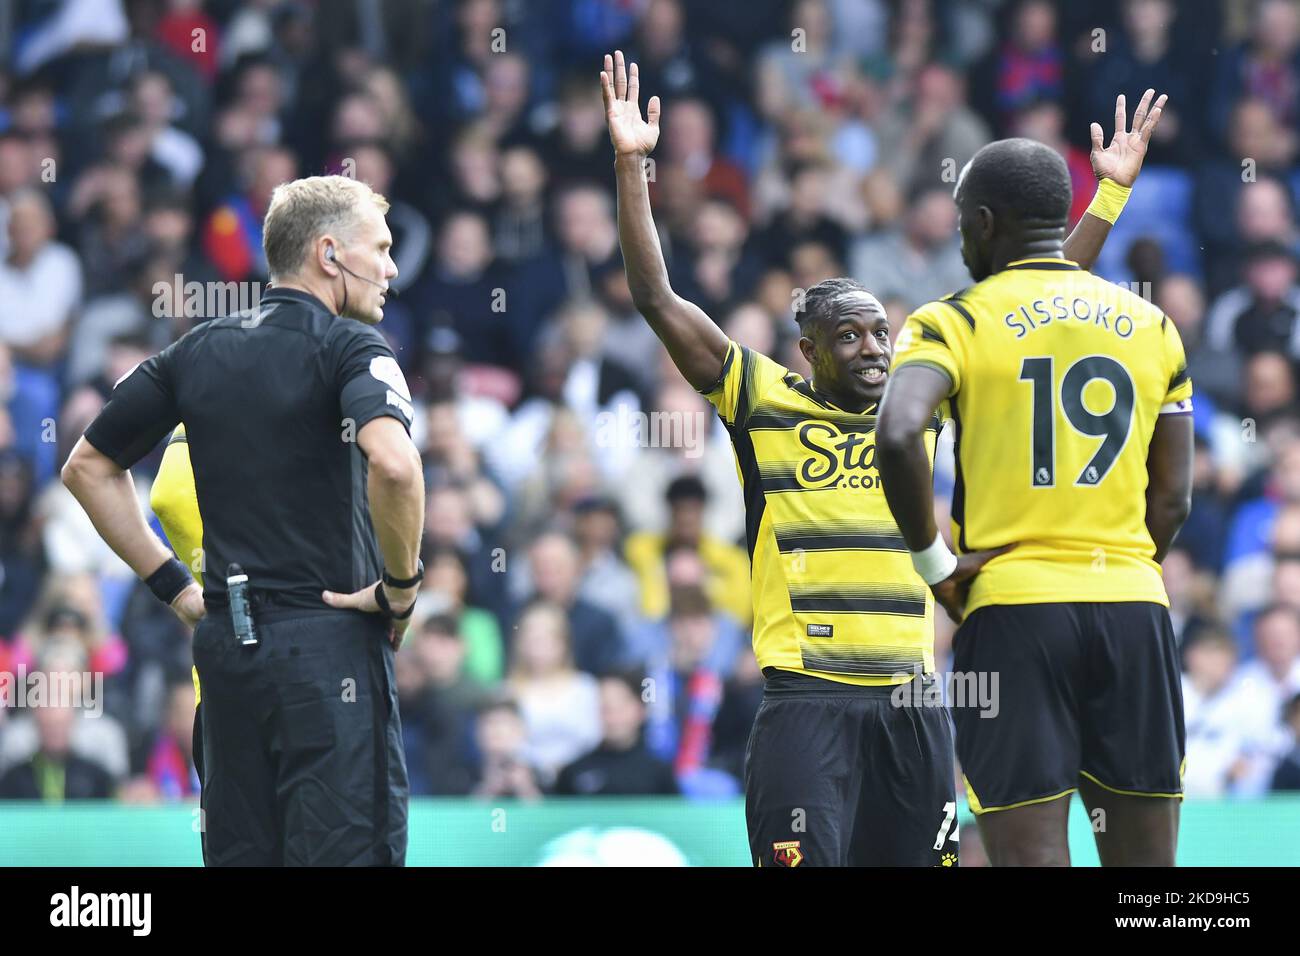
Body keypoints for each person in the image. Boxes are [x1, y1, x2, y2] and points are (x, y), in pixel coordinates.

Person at [600, 50, 1153, 866]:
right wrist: (630, 162)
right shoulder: (761, 398)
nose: (872, 348)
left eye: (880, 333)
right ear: (808, 350)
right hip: (805, 703)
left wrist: (1109, 192)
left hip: (911, 701)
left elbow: (1040, 291)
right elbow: (656, 296)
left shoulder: (920, 400)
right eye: (849, 335)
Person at [60, 174, 425, 866]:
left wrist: (173, 588)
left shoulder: (196, 350)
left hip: (226, 655)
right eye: (379, 248)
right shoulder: (352, 348)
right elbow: (397, 466)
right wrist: (401, 586)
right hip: (329, 652)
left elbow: (87, 466)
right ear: (328, 254)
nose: (391, 267)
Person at [877, 92, 1190, 867]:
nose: (957, 239)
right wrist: (1116, 560)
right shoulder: (1154, 327)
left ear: (982, 224)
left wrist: (936, 568)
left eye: (961, 223)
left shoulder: (950, 321)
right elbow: (1174, 499)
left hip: (1012, 615)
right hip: (1133, 613)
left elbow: (897, 430)